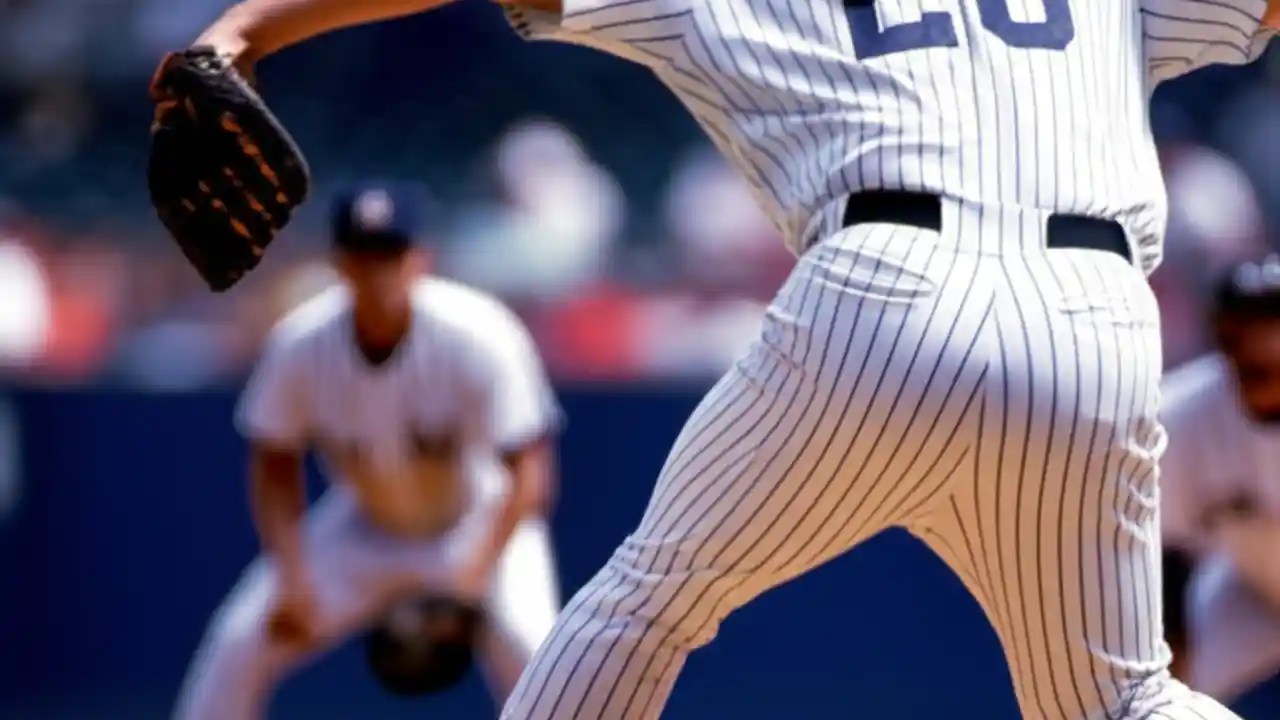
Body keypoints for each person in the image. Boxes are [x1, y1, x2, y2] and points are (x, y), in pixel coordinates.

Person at [179, 0, 1279, 716]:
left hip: (886, 290)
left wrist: (244, 33)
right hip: (1095, 315)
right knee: (1120, 699)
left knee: (644, 609)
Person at [173, 183, 562, 719]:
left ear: (420, 259)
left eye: (391, 254)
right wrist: (292, 576)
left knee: (543, 659)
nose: (379, 273)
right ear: (340, 263)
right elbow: (274, 466)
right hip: (363, 528)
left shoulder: (479, 332)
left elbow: (530, 474)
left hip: (475, 523)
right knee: (240, 641)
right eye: (364, 255)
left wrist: (472, 577)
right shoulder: (301, 343)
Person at [1161, 255, 1280, 717]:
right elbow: (1160, 547)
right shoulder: (1182, 415)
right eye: (1244, 327)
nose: (1260, 342)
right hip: (1251, 591)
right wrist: (1174, 650)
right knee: (1170, 693)